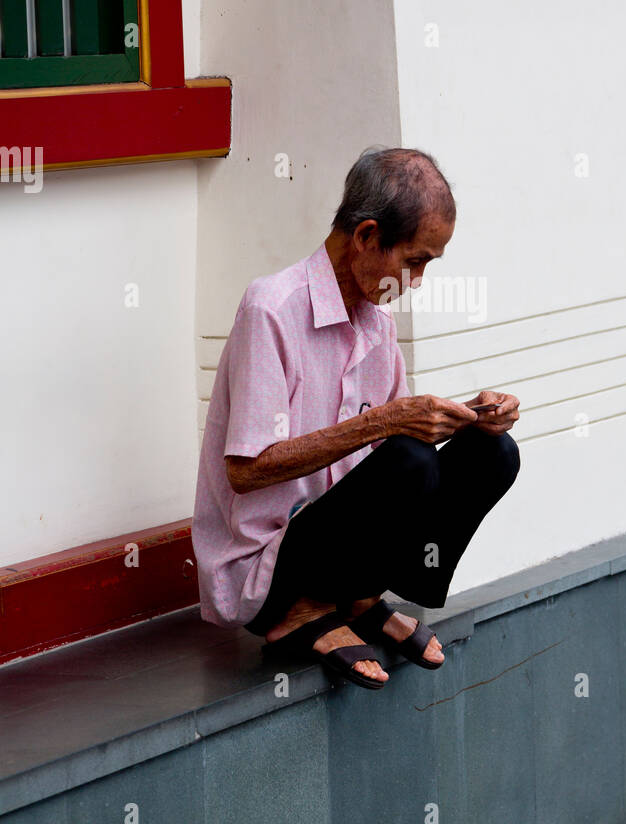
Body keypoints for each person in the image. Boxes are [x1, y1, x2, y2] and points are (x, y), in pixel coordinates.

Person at [191, 146, 520, 689]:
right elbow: (245, 471)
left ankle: (361, 597)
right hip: (271, 564)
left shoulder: (377, 323)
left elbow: (397, 456)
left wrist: (471, 419)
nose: (415, 282)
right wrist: (385, 422)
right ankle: (300, 612)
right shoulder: (270, 308)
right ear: (366, 237)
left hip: (342, 548)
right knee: (408, 455)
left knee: (493, 453)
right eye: (414, 261)